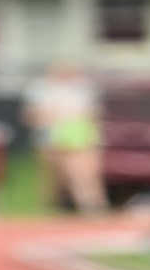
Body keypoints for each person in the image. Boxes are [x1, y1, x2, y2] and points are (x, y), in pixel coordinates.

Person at [22, 60, 106, 215]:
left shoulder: (82, 88)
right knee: (52, 178)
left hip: (79, 139)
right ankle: (51, 207)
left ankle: (91, 207)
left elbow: (93, 114)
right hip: (50, 138)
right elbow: (32, 116)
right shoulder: (41, 88)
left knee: (84, 175)